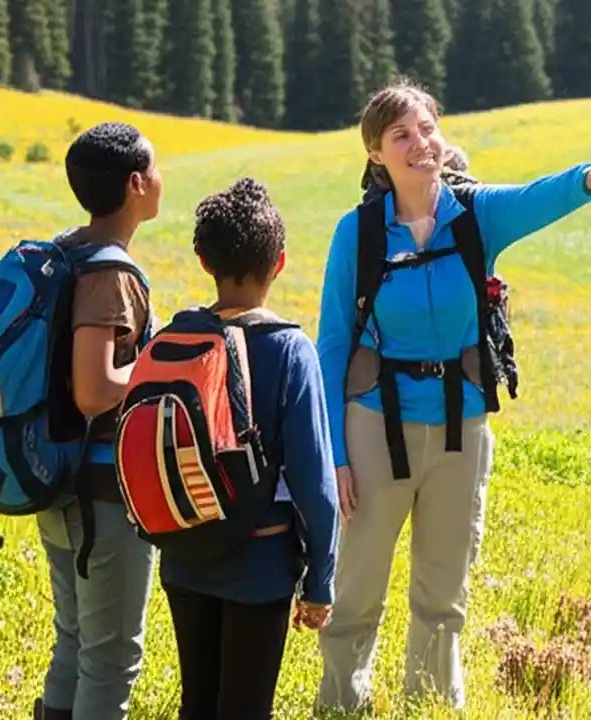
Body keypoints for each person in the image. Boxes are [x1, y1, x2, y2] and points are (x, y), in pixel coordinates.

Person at [314, 77, 591, 712]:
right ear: (376, 152)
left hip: (461, 425)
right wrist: (336, 457)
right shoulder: (359, 234)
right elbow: (330, 343)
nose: (420, 143)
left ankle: (431, 702)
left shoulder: (474, 216)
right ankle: (341, 701)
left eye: (427, 128)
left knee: (444, 586)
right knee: (357, 585)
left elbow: (536, 198)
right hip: (373, 424)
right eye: (401, 134)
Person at [154, 178, 340, 720]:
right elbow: (316, 484)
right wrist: (320, 581)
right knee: (245, 707)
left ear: (202, 259)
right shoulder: (289, 349)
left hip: (184, 555)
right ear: (279, 262)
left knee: (198, 703)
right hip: (260, 565)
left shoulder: (174, 338)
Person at [33, 121, 163, 720]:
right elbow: (92, 389)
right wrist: (156, 373)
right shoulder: (110, 274)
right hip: (104, 495)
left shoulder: (66, 248)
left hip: (59, 479)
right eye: (155, 169)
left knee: (76, 643)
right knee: (111, 661)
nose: (161, 180)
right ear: (135, 183)